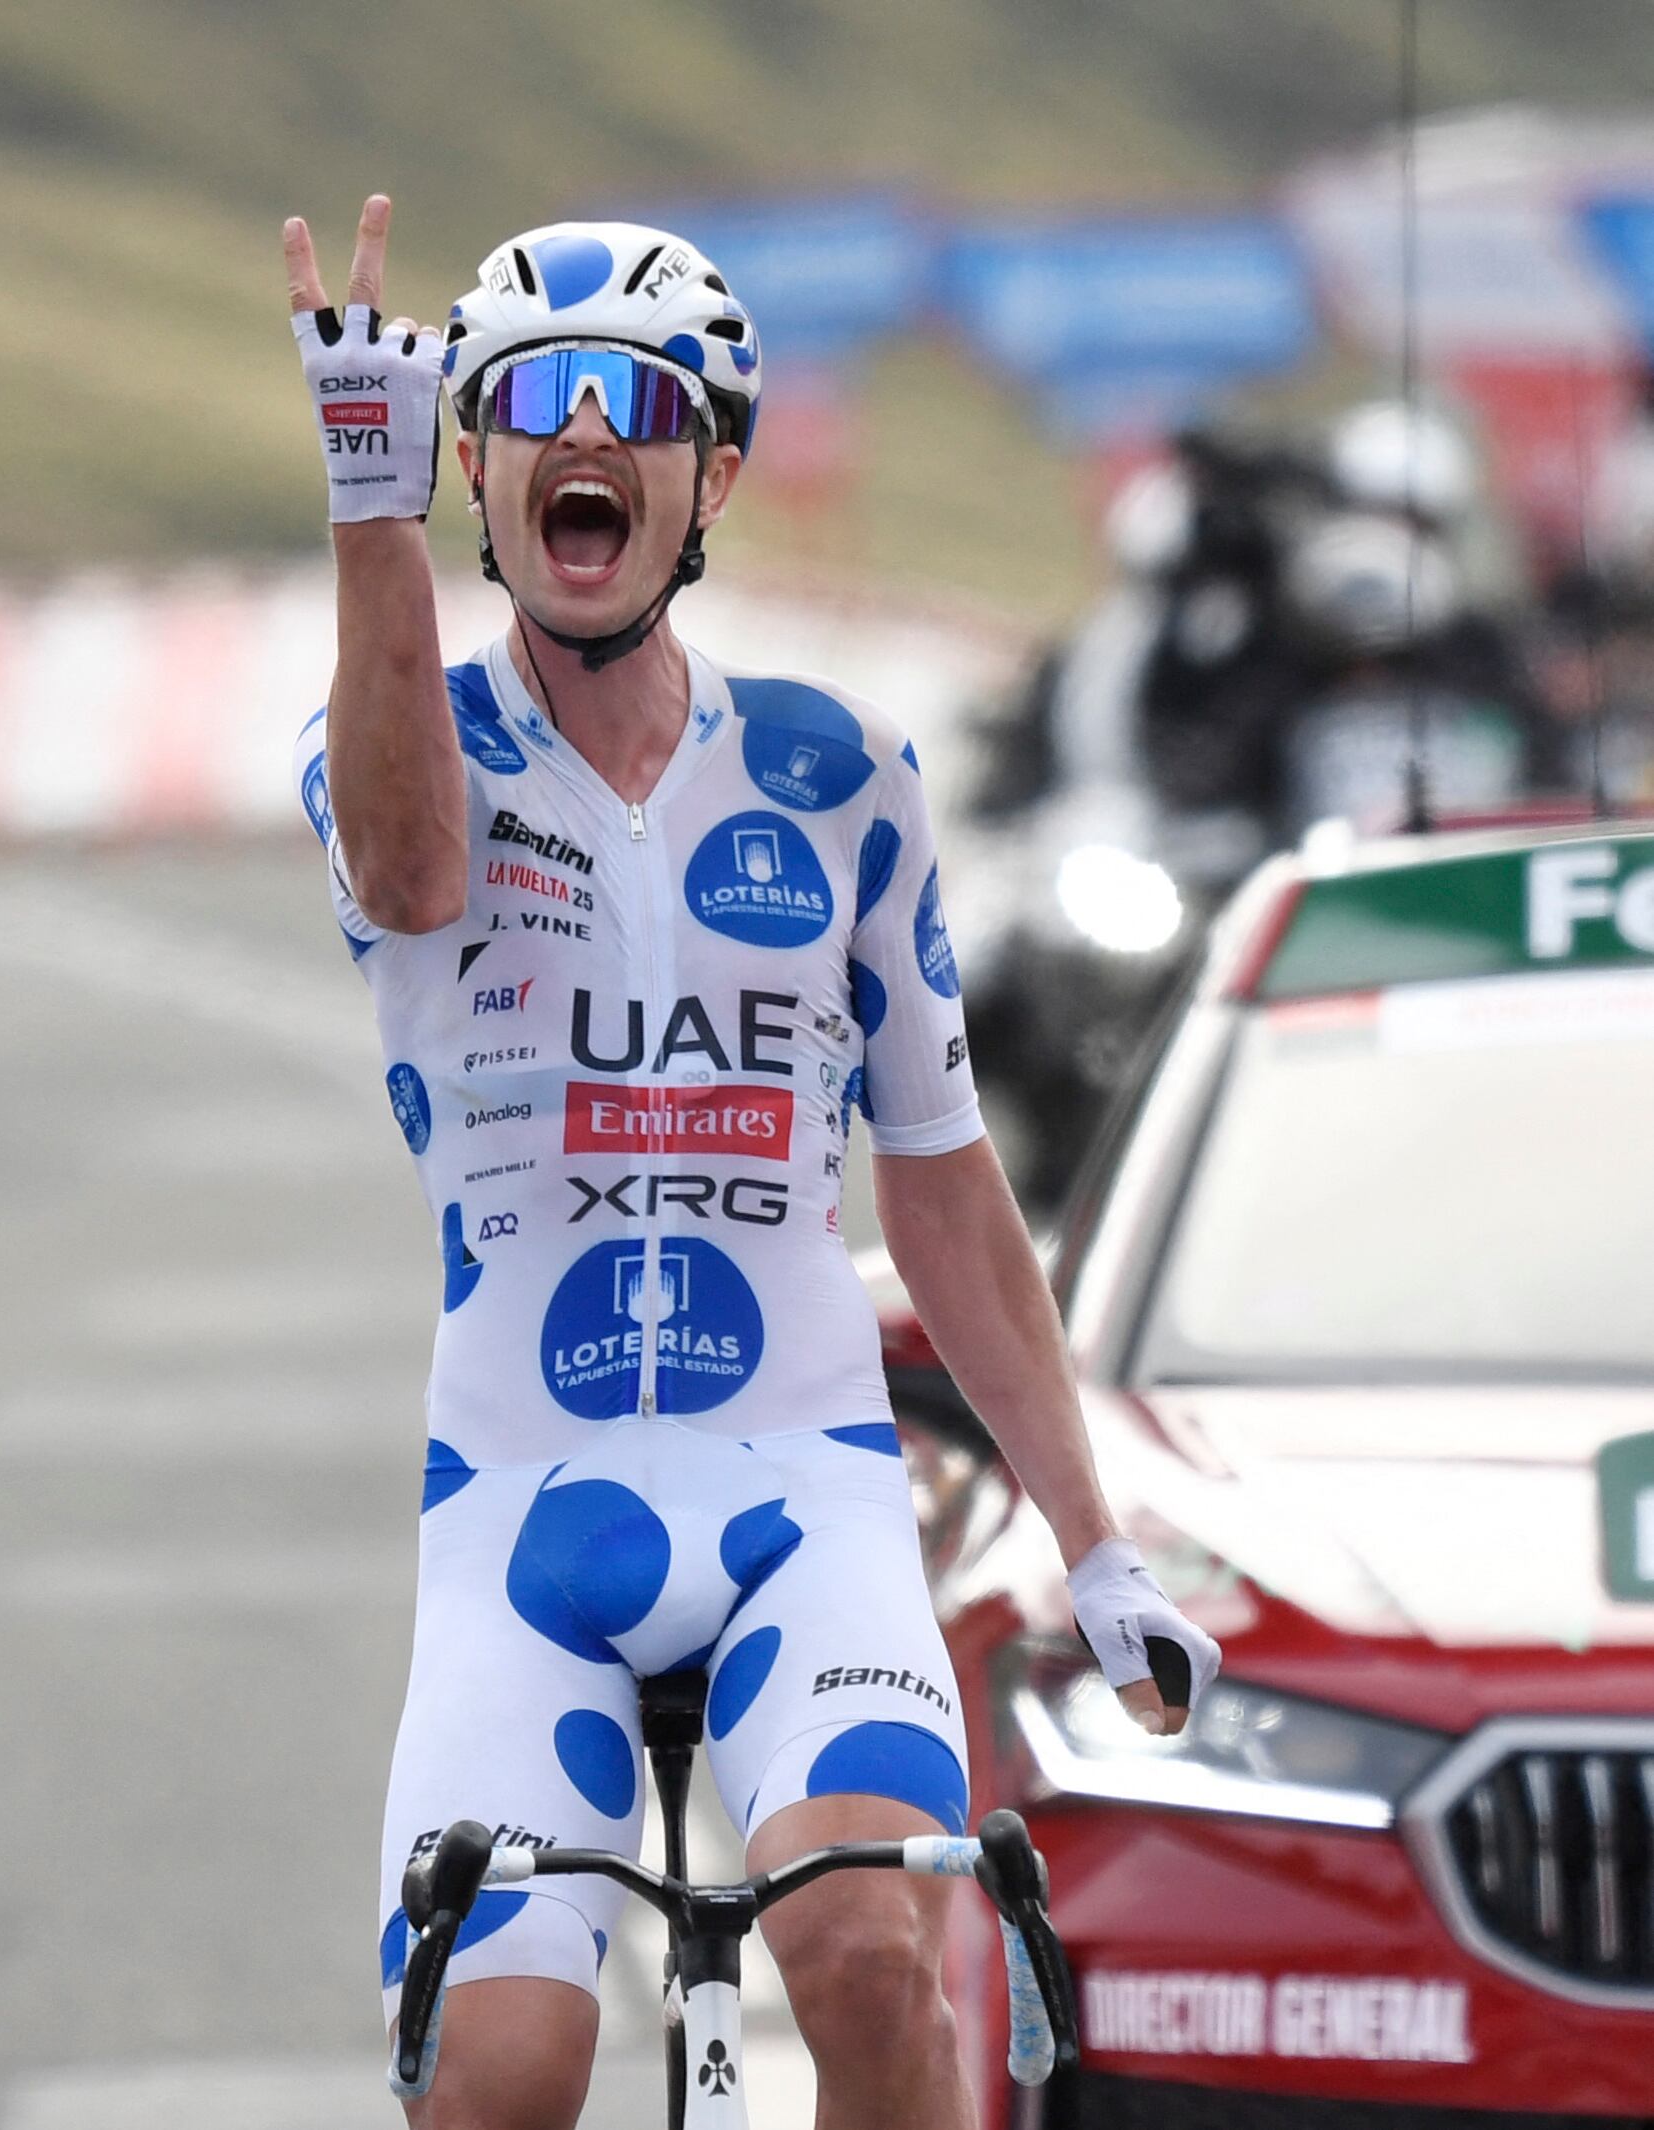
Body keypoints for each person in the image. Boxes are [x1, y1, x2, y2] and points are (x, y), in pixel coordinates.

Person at [281, 198, 1224, 2129]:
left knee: (874, 1966)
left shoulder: (838, 773)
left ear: (708, 470)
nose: (581, 434)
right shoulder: (399, 748)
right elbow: (409, 873)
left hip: (802, 1487)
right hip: (522, 1507)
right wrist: (369, 518)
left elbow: (947, 1187)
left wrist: (1090, 1530)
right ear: (475, 456)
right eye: (527, 398)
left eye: (634, 401)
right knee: (501, 2069)